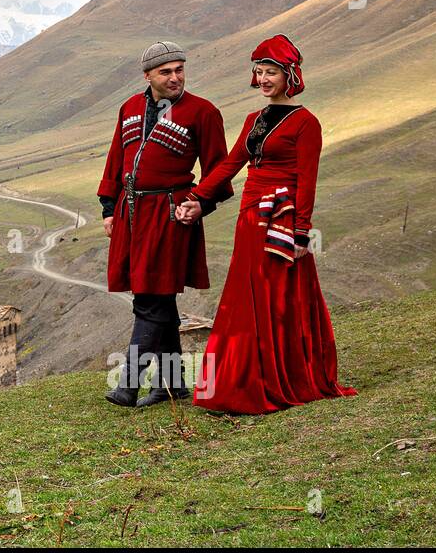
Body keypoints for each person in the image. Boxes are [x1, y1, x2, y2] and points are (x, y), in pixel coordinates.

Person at [181, 34, 357, 414]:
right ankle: (239, 381)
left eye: (271, 72)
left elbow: (307, 179)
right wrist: (196, 197)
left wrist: (300, 231)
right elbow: (230, 165)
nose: (263, 79)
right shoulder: (253, 119)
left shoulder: (306, 122)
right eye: (259, 72)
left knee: (277, 299)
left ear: (289, 75)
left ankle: (281, 378)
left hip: (281, 219)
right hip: (250, 217)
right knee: (245, 299)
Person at [98, 41, 232, 408]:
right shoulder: (128, 108)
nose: (175, 77)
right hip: (131, 212)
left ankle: (129, 383)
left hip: (169, 212)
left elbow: (219, 166)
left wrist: (201, 203)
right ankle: (172, 385)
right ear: (148, 76)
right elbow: (115, 160)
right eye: (165, 72)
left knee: (151, 297)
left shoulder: (202, 112)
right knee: (157, 298)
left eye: (179, 69)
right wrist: (109, 208)